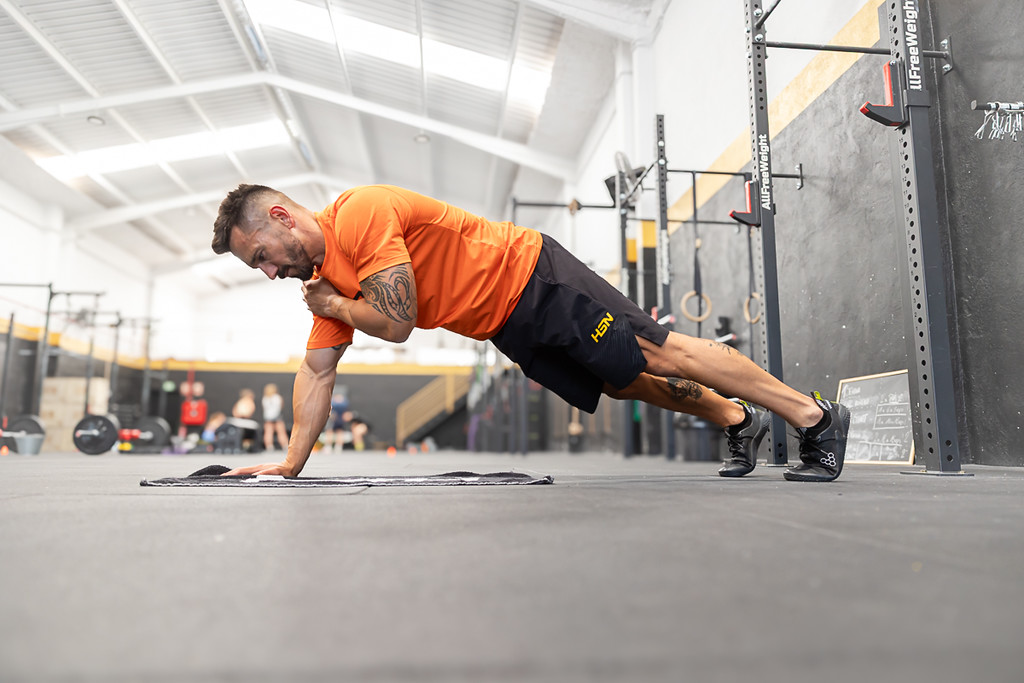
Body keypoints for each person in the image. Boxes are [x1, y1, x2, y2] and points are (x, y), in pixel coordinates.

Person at [212, 184, 849, 481]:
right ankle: (739, 422)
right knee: (624, 383)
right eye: (258, 268)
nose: (269, 272)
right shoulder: (328, 285)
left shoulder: (360, 214)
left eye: (262, 255)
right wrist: (290, 465)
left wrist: (340, 308)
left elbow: (398, 322)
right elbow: (315, 372)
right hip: (505, 324)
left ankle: (813, 418)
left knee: (660, 351)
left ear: (279, 216)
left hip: (533, 276)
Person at [262, 384, 288, 452]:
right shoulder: (278, 397)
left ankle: (269, 446)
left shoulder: (265, 398)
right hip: (277, 416)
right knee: (281, 432)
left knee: (268, 432)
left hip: (268, 417)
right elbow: (281, 407)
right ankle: (285, 446)